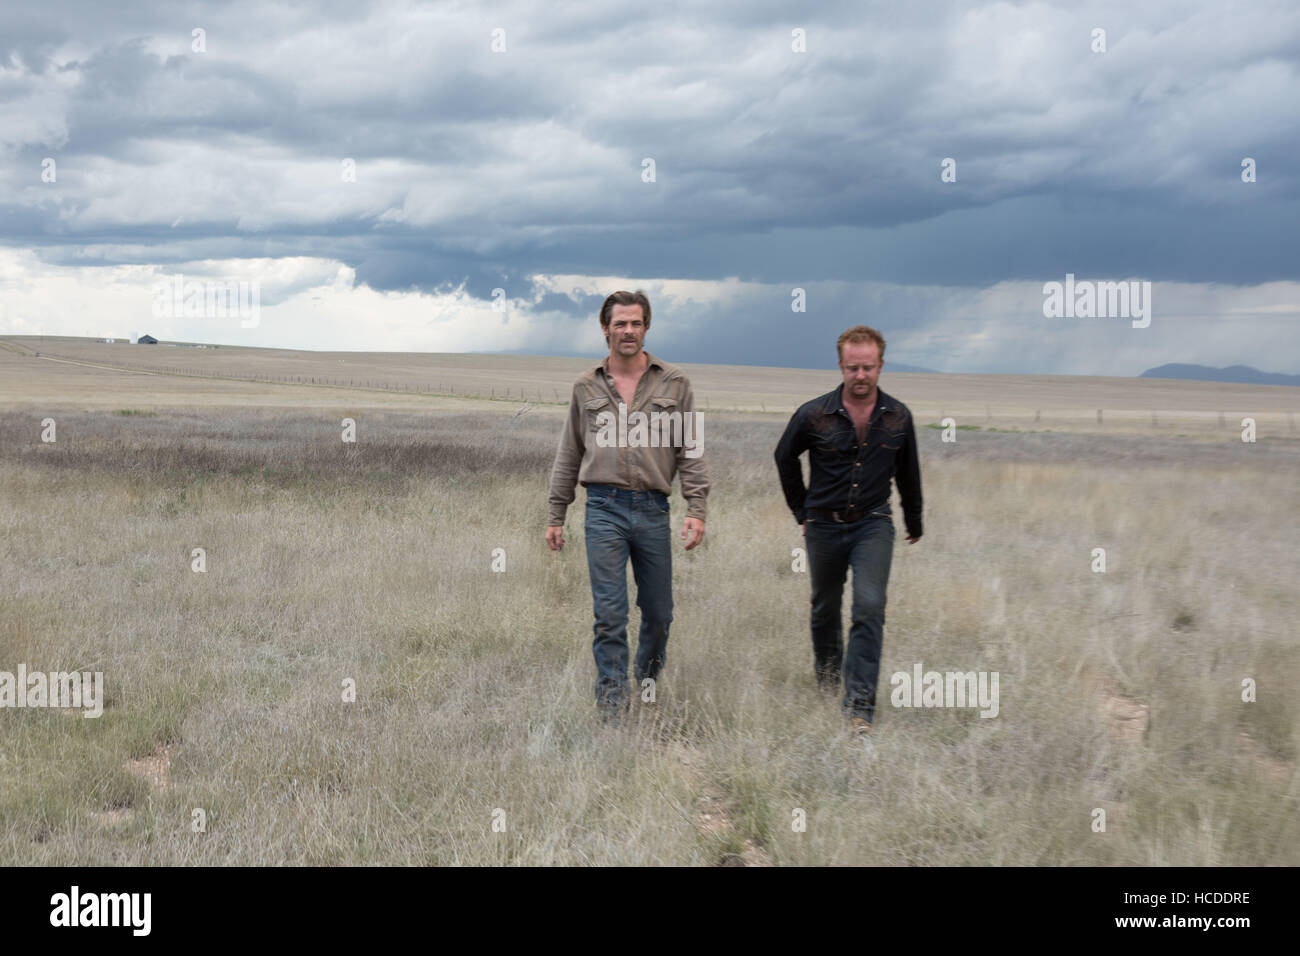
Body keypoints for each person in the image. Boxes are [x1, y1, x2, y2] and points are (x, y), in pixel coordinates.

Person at [546, 290, 709, 721]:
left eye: (636, 323)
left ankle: (647, 677)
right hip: (604, 507)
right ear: (605, 329)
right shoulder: (586, 386)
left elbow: (690, 450)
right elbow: (569, 452)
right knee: (610, 613)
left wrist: (696, 508)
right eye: (620, 323)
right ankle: (613, 705)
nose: (628, 331)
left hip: (653, 509)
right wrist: (556, 513)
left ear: (646, 327)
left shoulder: (675, 383)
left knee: (659, 614)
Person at [773, 325, 923, 736]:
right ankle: (827, 678)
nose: (861, 376)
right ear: (840, 366)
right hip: (823, 524)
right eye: (853, 368)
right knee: (824, 607)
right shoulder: (813, 413)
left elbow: (909, 471)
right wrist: (801, 511)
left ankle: (859, 708)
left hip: (873, 524)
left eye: (868, 368)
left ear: (881, 366)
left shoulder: (898, 416)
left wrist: (914, 520)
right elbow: (784, 457)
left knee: (869, 606)